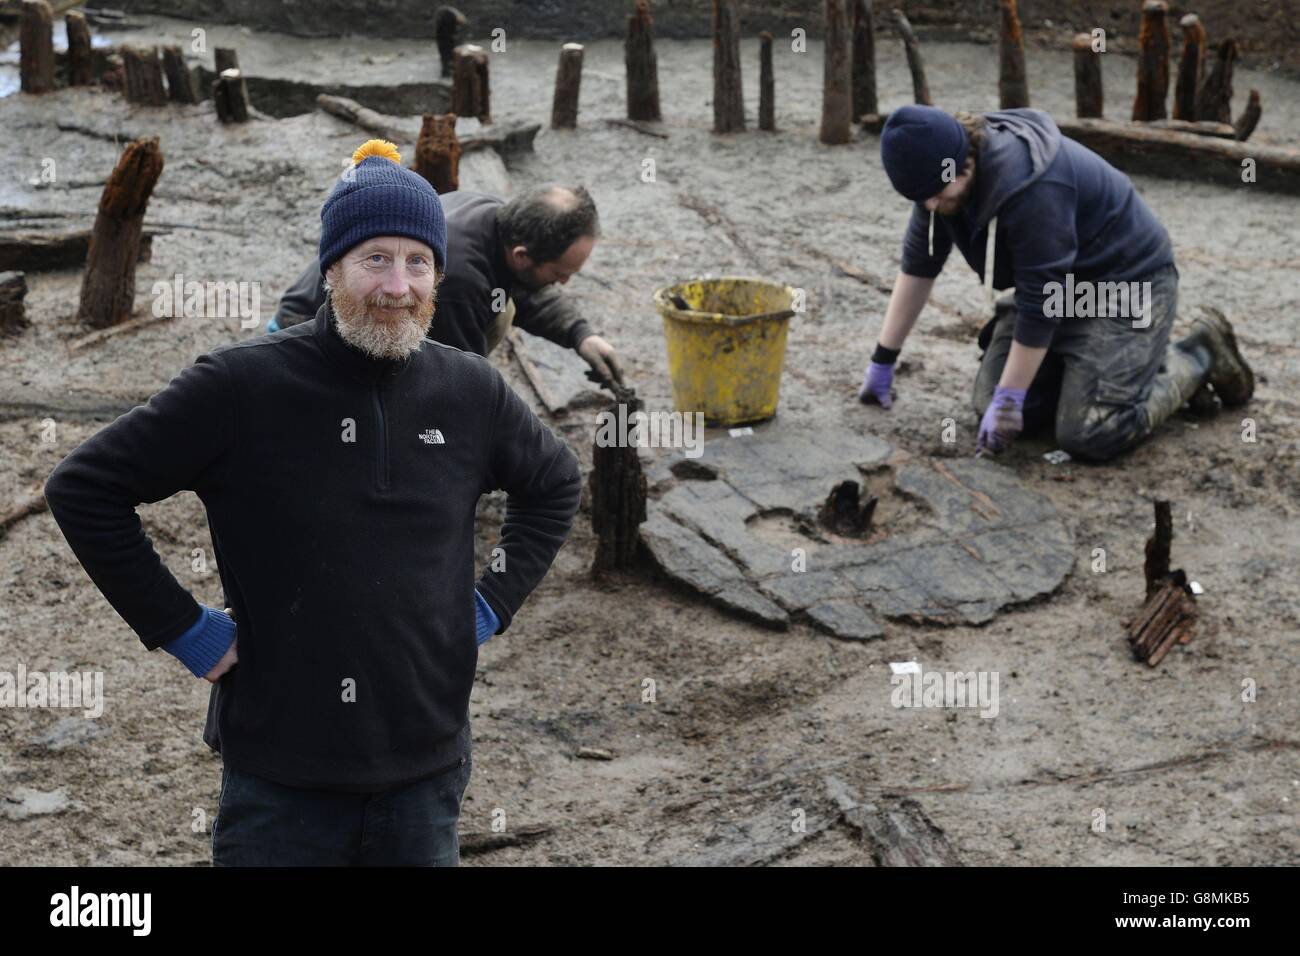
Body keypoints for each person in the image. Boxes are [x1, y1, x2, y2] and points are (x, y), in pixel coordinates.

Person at [43, 140, 582, 866]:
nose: (398, 285)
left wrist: (489, 604)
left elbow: (554, 484)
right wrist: (183, 628)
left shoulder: (469, 390)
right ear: (331, 270)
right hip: (280, 778)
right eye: (375, 259)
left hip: (426, 768)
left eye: (417, 262)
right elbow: (84, 488)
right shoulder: (240, 388)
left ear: (438, 274)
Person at [858, 104, 1254, 461]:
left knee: (1089, 431)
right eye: (920, 198)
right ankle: (1091, 374)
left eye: (935, 195)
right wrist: (883, 360)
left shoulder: (1032, 186)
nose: (929, 207)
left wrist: (1010, 400)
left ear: (963, 162)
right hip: (1059, 292)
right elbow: (919, 266)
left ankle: (1196, 355)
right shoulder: (936, 182)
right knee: (990, 403)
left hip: (1126, 288)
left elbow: (1039, 304)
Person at [270, 183, 625, 387]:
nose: (562, 283)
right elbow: (456, 384)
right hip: (309, 338)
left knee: (504, 308)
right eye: (561, 273)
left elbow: (525, 287)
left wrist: (580, 333)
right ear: (521, 254)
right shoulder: (460, 284)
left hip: (346, 308)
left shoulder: (494, 214)